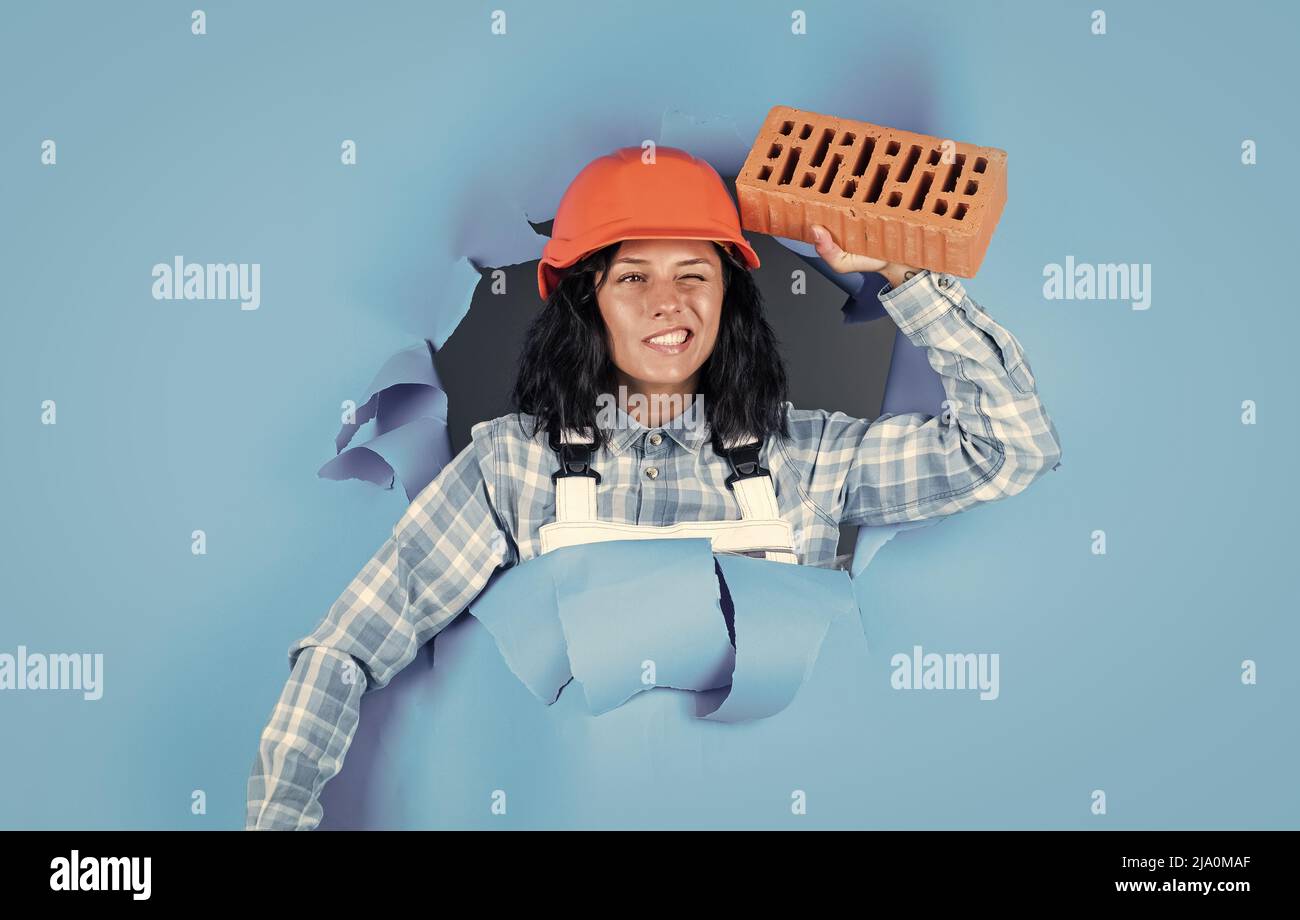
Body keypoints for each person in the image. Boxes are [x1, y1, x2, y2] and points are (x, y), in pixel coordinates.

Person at [246, 146, 1062, 829]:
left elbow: (1007, 447)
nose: (668, 303)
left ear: (727, 300)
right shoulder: (513, 467)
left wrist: (904, 279)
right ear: (588, 303)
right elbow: (351, 644)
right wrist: (279, 816)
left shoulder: (804, 456)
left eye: (693, 276)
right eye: (632, 277)